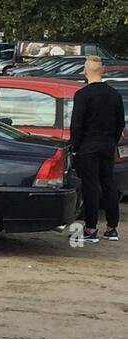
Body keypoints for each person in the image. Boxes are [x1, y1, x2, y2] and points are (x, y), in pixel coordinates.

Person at [69, 57, 124, 243]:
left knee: (90, 186)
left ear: (85, 71)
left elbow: (76, 124)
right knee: (108, 184)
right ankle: (112, 228)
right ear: (104, 70)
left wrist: (74, 147)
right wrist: (112, 142)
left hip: (87, 146)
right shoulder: (114, 95)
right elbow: (120, 124)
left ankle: (91, 229)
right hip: (108, 144)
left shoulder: (82, 95)